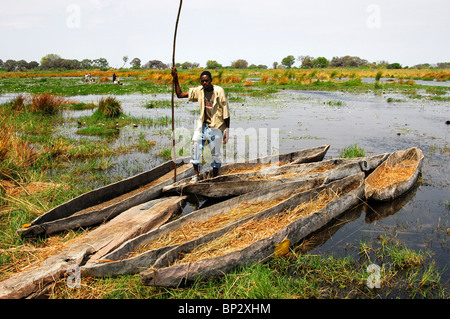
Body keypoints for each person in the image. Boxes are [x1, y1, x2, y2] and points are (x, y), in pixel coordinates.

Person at [171, 67, 230, 181]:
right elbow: (179, 94)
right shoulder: (199, 91)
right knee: (195, 147)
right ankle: (196, 175)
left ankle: (215, 176)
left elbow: (226, 112)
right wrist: (175, 78)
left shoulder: (219, 91)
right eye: (202, 81)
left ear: (211, 80)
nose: (204, 83)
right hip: (202, 126)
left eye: (206, 81)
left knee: (216, 154)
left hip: (217, 126)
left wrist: (227, 130)